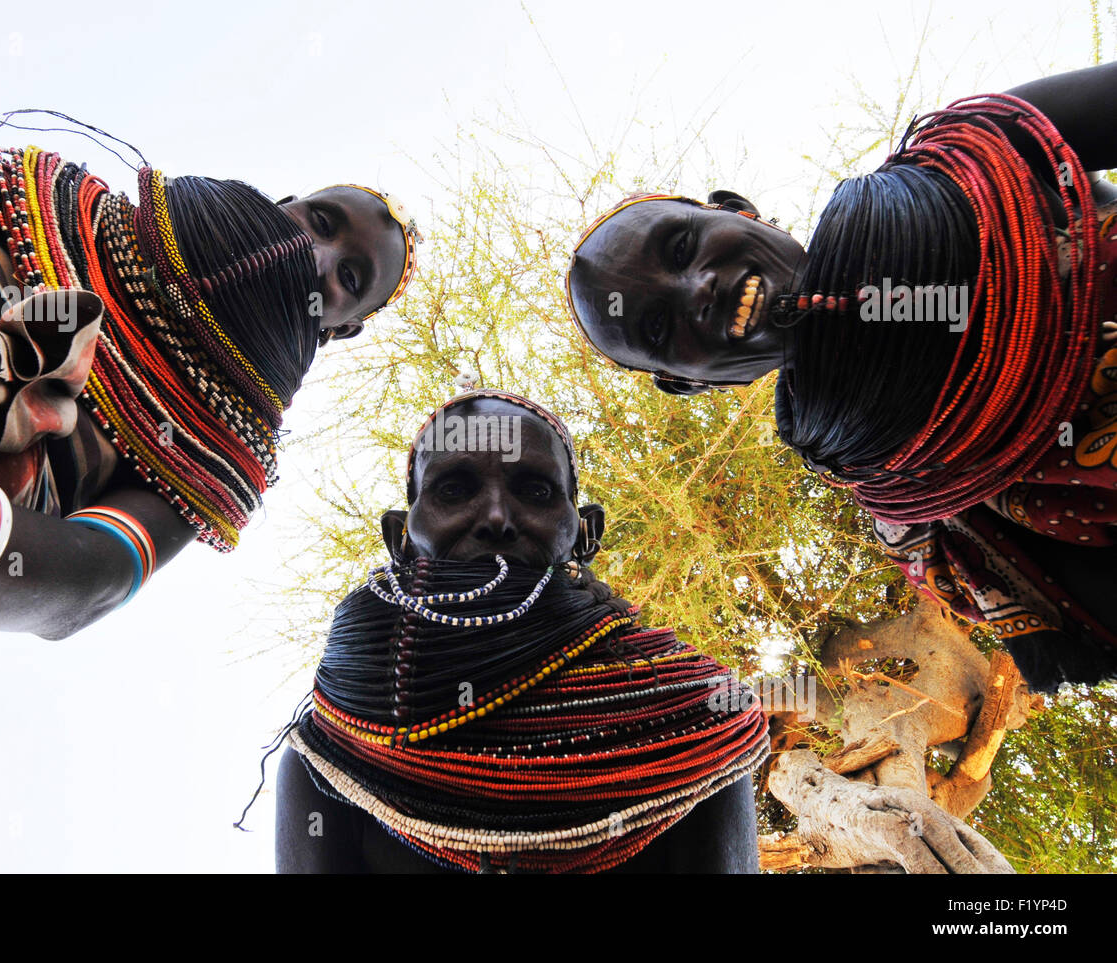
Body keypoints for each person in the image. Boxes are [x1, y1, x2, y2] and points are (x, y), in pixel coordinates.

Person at [0, 108, 419, 791]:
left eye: (349, 277)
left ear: (339, 331)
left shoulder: (216, 456)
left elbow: (77, 588)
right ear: (284, 204)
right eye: (321, 222)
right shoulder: (63, 209)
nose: (316, 258)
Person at [564, 63, 1117, 693]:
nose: (699, 289)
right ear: (693, 384)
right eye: (660, 328)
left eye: (681, 248)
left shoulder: (967, 158)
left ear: (742, 212)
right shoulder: (927, 520)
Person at [271, 389, 769, 873]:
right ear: (401, 536)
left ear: (584, 533)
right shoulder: (334, 754)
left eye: (534, 491)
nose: (495, 516)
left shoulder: (691, 721)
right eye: (453, 490)